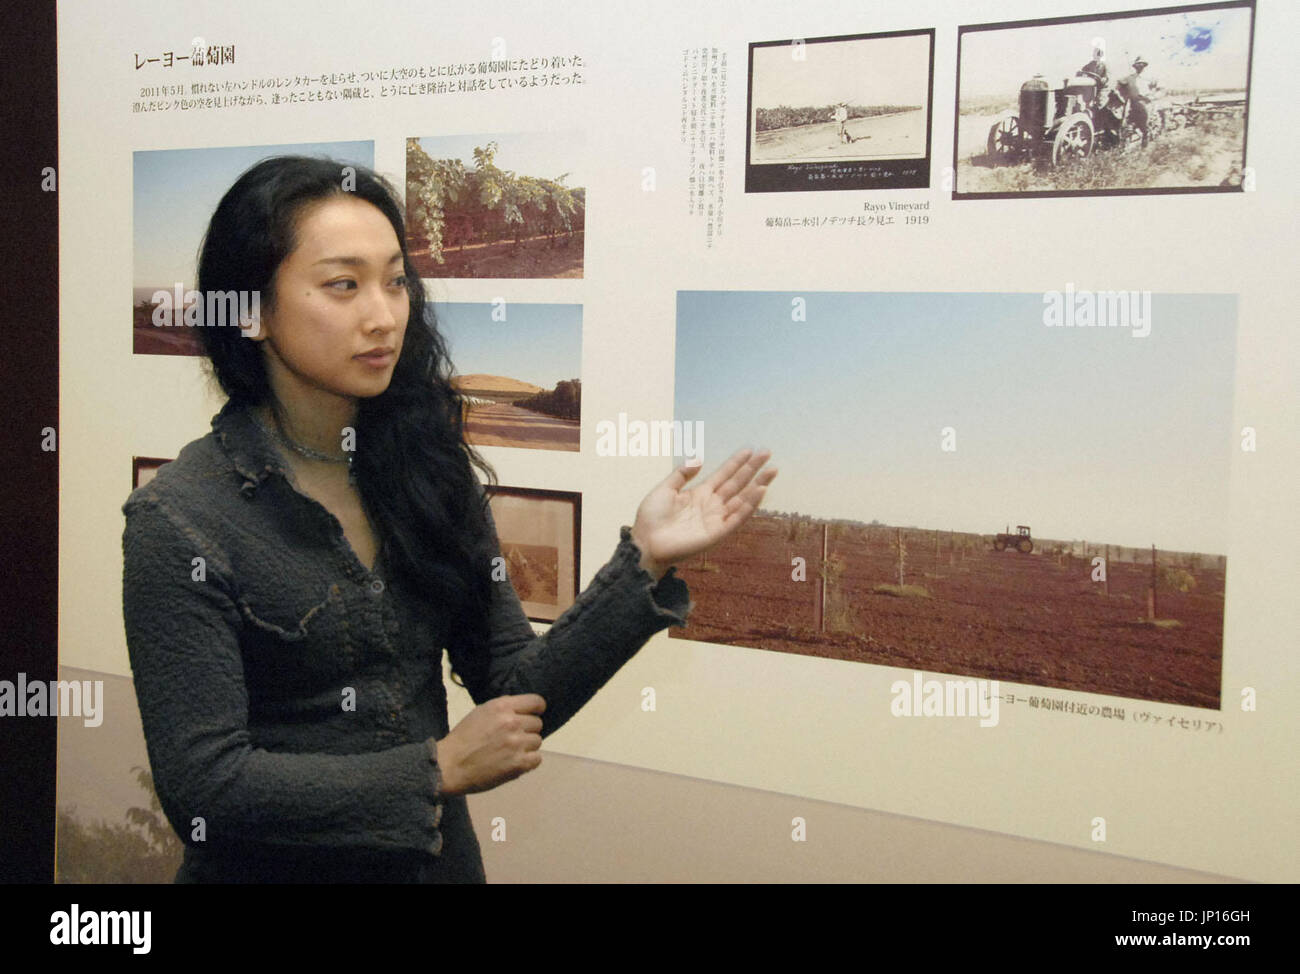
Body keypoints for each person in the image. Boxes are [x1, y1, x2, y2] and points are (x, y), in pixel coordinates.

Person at [120, 155, 777, 883]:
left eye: (396, 281)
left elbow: (512, 687)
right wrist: (432, 770)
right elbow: (205, 789)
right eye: (344, 284)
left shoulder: (424, 468)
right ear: (252, 311)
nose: (384, 315)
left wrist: (645, 562)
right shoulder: (180, 518)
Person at [1117, 55, 1157, 145]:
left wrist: (1152, 96)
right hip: (1133, 104)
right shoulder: (1130, 78)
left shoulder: (1149, 78)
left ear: (1144, 66)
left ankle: (1145, 144)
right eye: (1138, 65)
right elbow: (1119, 84)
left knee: (1144, 126)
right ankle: (1127, 147)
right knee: (1129, 125)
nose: (1140, 66)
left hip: (1145, 104)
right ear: (1135, 66)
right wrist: (1124, 94)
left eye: (1142, 65)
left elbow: (1157, 89)